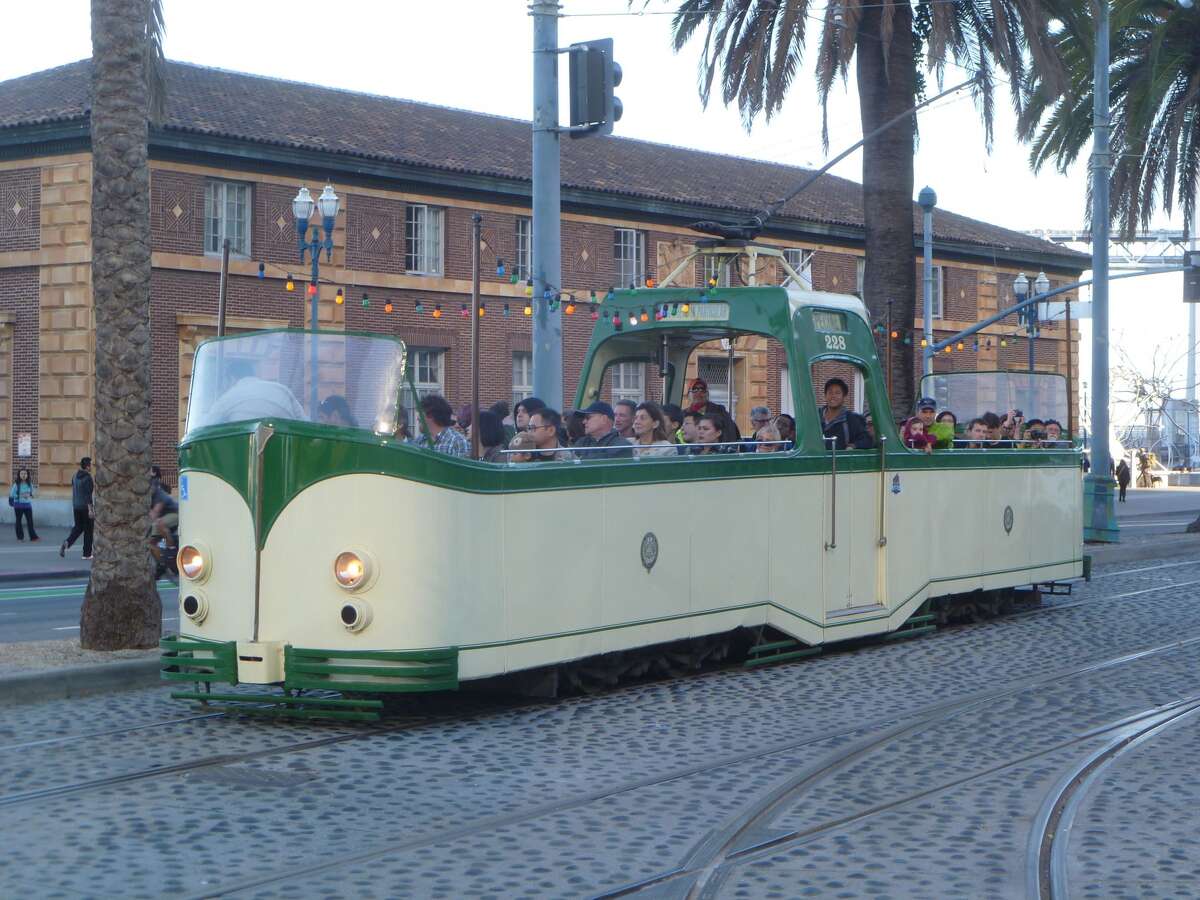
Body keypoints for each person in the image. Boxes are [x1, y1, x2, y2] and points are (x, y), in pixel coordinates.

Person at [205, 358, 305, 425]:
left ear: (231, 378)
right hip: (287, 450)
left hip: (246, 451)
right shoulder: (282, 389)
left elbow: (204, 427)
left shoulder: (229, 396)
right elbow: (305, 422)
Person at [820, 378, 873, 450]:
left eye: (837, 393)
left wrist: (853, 446)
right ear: (825, 396)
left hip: (839, 460)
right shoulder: (816, 416)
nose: (833, 396)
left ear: (844, 397)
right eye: (830, 392)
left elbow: (867, 440)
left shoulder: (852, 419)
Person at [686, 378, 741, 443]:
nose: (699, 392)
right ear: (688, 395)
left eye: (702, 389)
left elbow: (730, 432)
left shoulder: (719, 410)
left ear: (707, 394)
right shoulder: (684, 414)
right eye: (695, 389)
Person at [60, 457, 94, 560]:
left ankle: (67, 542)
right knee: (88, 530)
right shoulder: (88, 478)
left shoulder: (75, 476)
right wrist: (90, 510)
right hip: (85, 507)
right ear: (88, 466)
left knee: (78, 527)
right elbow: (88, 495)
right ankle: (87, 554)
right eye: (91, 464)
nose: (92, 466)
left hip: (76, 506)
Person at [9, 468, 38, 542]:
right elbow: (12, 494)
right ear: (19, 475)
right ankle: (20, 538)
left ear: (27, 475)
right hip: (18, 505)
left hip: (27, 505)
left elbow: (33, 494)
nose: (23, 475)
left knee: (30, 521)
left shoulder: (29, 484)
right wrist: (22, 495)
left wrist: (31, 495)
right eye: (22, 474)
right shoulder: (16, 484)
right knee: (18, 521)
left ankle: (33, 537)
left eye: (25, 473)